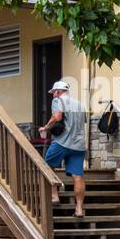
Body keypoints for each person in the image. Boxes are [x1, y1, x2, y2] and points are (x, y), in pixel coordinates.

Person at [39, 80, 87, 217]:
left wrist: (45, 127)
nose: (53, 96)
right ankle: (79, 209)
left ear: (58, 91)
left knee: (47, 165)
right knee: (78, 176)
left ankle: (54, 195)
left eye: (53, 93)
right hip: (79, 145)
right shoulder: (80, 105)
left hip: (62, 142)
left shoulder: (58, 101)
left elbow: (57, 117)